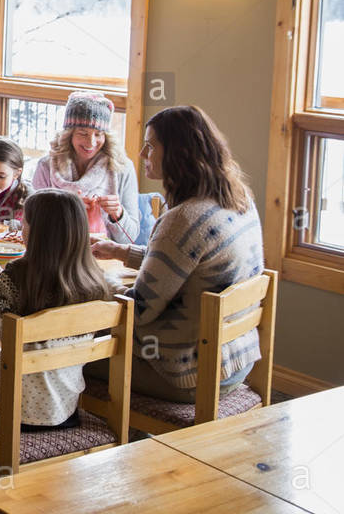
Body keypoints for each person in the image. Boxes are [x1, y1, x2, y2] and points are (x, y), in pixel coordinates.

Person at [0, 189, 111, 497]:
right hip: (64, 409)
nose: (19, 226)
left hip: (10, 410)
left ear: (36, 231)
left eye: (24, 221)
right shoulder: (94, 279)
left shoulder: (21, 275)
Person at [90, 106, 264, 402]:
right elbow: (188, 262)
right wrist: (121, 251)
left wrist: (92, 281)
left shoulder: (183, 219)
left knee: (63, 354)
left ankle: (94, 441)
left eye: (150, 145)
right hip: (237, 358)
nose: (143, 154)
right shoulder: (237, 198)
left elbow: (138, 311)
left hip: (188, 372)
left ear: (177, 152)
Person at [32, 90, 140, 244]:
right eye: (83, 133)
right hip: (55, 253)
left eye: (98, 134)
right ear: (69, 134)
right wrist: (67, 211)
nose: (91, 142)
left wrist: (118, 213)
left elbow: (130, 238)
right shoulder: (46, 166)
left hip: (106, 256)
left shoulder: (122, 168)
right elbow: (33, 224)